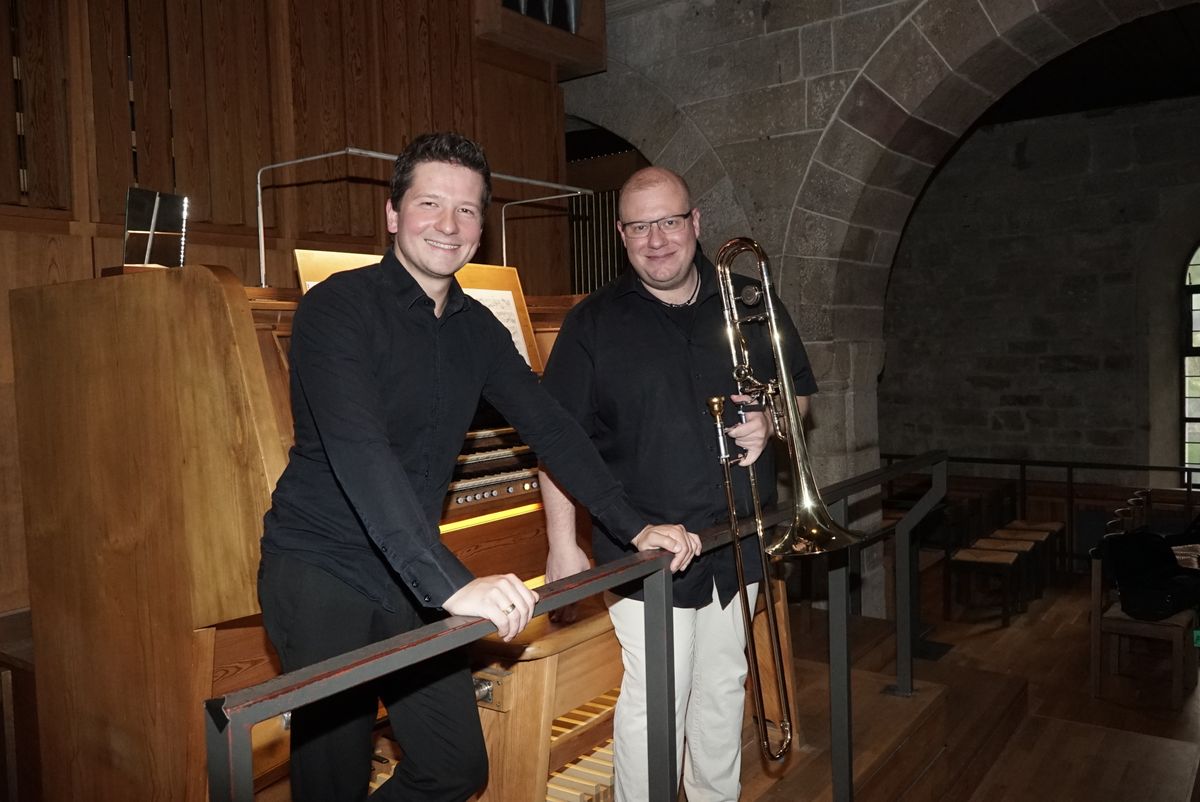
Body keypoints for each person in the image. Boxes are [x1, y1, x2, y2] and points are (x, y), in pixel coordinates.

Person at [258, 134, 699, 802]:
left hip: (410, 573)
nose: (448, 224)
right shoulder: (337, 309)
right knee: (333, 783)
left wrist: (634, 527)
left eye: (466, 211)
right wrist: (450, 586)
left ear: (481, 228)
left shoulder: (475, 328)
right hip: (322, 570)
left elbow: (553, 426)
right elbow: (361, 455)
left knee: (455, 766)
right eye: (430, 203)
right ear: (393, 214)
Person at [538, 166, 818, 802]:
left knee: (723, 685)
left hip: (739, 534)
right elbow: (557, 442)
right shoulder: (593, 324)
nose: (656, 239)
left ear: (695, 224)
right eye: (639, 226)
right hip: (644, 549)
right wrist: (563, 540)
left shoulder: (751, 302)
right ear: (621, 234)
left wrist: (770, 423)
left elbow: (799, 396)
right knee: (657, 695)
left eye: (669, 221)